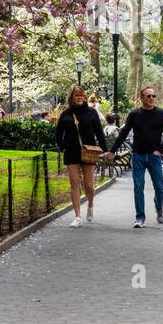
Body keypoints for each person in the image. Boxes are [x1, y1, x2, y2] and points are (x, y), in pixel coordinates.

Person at [106, 86, 163, 228]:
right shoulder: (135, 114)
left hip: (154, 157)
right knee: (138, 186)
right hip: (138, 156)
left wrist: (160, 150)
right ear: (142, 98)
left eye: (153, 96)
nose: (151, 99)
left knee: (159, 186)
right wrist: (112, 151)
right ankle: (140, 217)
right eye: (148, 96)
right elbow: (123, 133)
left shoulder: (161, 114)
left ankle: (159, 208)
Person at [55, 86, 108, 228]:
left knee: (89, 185)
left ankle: (90, 204)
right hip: (71, 152)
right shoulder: (66, 114)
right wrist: (62, 146)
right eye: (76, 95)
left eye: (81, 95)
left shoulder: (91, 113)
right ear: (71, 97)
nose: (79, 97)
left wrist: (106, 150)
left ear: (84, 97)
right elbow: (58, 133)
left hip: (88, 151)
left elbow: (99, 132)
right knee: (74, 183)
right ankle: (77, 216)